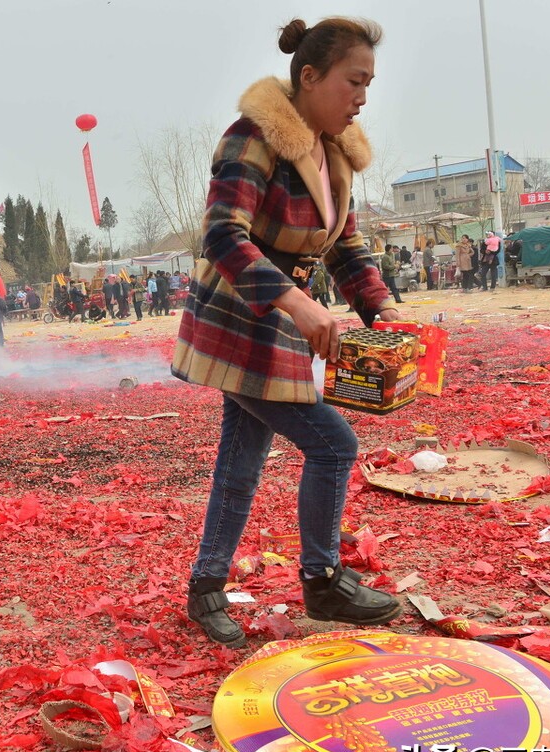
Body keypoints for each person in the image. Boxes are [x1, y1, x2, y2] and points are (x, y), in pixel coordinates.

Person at [172, 16, 403, 648]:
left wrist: (381, 311)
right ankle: (322, 578)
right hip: (240, 320)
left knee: (242, 458)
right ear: (309, 76)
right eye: (353, 81)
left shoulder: (334, 153)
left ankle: (207, 587)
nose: (362, 97)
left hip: (279, 325)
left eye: (368, 85)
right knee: (333, 444)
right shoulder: (254, 138)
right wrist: (297, 303)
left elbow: (345, 248)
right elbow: (223, 235)